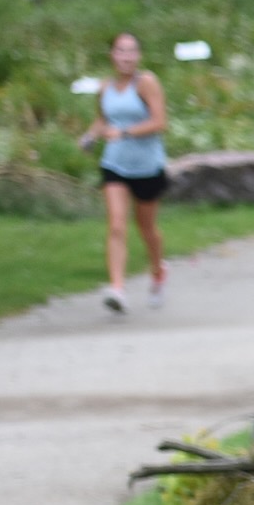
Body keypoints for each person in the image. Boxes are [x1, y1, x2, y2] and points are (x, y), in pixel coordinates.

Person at [85, 30, 170, 315]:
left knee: (146, 229)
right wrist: (90, 136)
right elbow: (102, 119)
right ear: (112, 55)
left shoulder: (146, 83)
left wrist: (124, 132)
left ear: (139, 56)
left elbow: (160, 122)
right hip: (115, 165)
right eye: (121, 51)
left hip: (147, 166)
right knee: (117, 225)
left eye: (131, 51)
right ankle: (118, 289)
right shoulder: (104, 87)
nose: (126, 57)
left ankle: (158, 271)